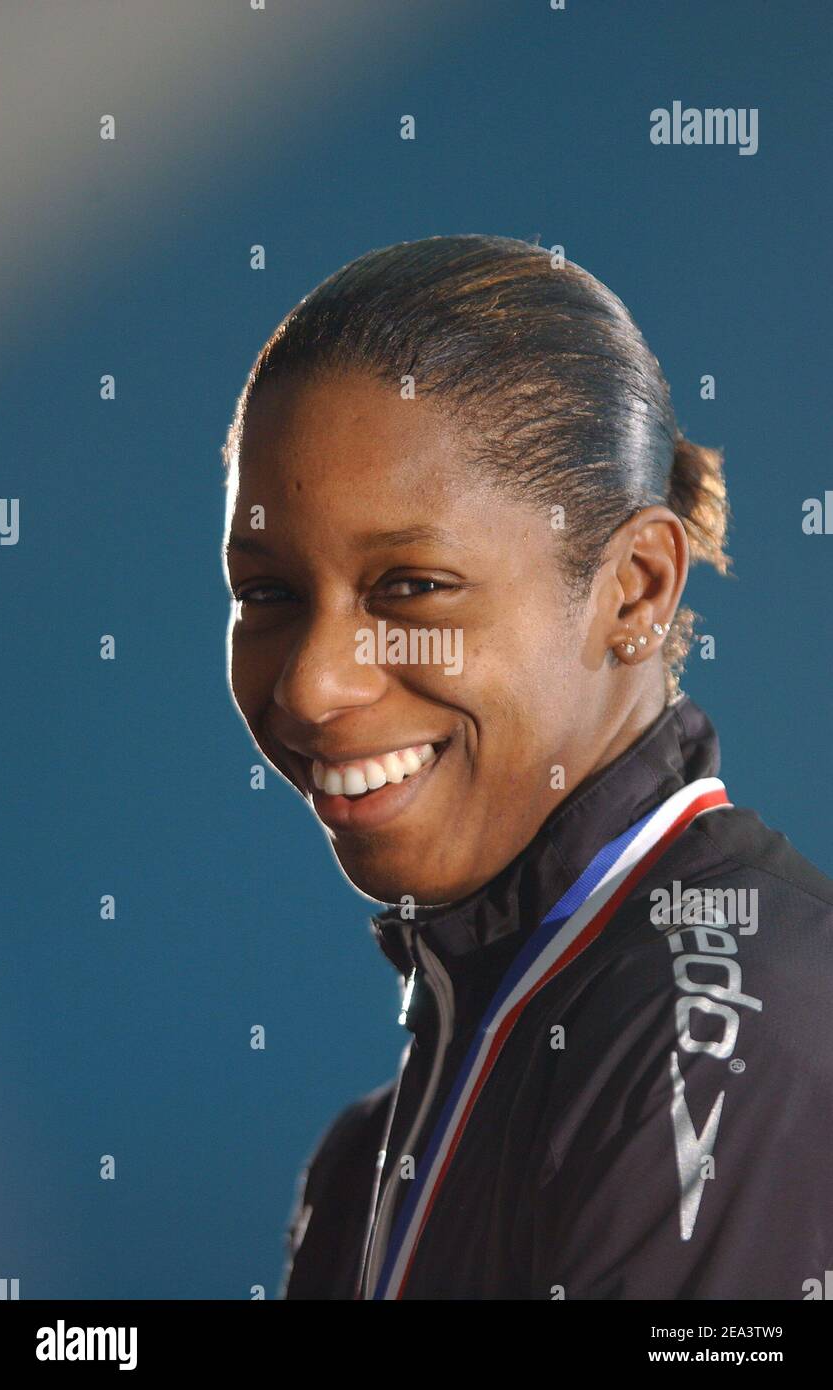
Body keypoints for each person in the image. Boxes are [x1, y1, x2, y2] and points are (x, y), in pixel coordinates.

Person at [221, 234, 833, 1300]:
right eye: (268, 593)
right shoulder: (362, 1161)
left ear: (635, 589)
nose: (313, 685)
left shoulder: (736, 1037)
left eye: (409, 587)